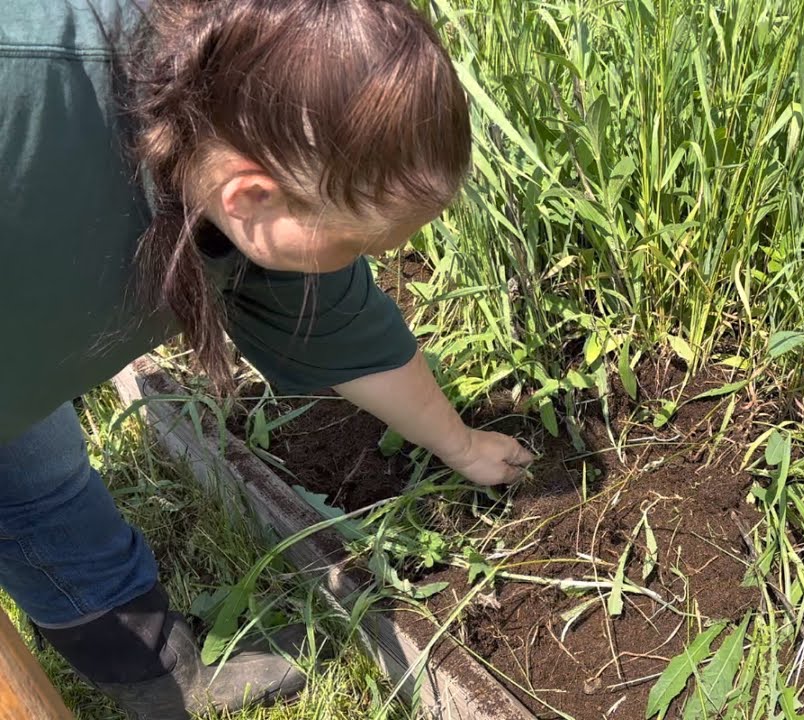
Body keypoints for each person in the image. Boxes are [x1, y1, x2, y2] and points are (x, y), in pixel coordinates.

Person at [0, 0, 535, 716]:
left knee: (42, 474)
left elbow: (346, 334)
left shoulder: (248, 120)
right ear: (250, 195)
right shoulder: (27, 92)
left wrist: (462, 445)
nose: (368, 261)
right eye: (353, 243)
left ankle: (162, 684)